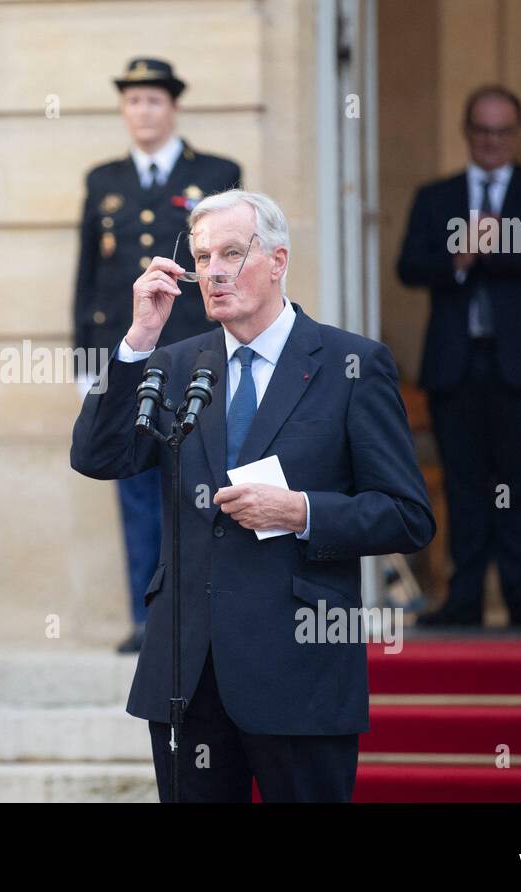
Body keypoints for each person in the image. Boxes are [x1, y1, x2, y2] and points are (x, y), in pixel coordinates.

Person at [71, 189, 434, 802]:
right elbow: (98, 456)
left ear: (278, 260)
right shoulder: (175, 362)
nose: (213, 271)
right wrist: (137, 338)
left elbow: (407, 516)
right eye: (204, 255)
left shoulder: (351, 364)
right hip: (189, 670)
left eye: (233, 254)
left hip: (300, 667)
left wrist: (303, 512)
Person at [74, 57, 241, 654]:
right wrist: (88, 366)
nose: (142, 111)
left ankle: (201, 607)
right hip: (132, 357)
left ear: (173, 107)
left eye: (153, 100)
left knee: (204, 482)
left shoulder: (217, 173)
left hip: (199, 356)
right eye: (132, 101)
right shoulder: (103, 180)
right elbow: (90, 279)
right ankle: (148, 616)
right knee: (135, 486)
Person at [397, 85, 521, 628]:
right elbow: (409, 266)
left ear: (516, 134)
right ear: (467, 132)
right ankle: (464, 598)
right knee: (465, 485)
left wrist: (493, 247)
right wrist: (458, 257)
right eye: (483, 130)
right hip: (456, 365)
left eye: (503, 132)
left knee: (520, 484)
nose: (492, 141)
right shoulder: (437, 196)